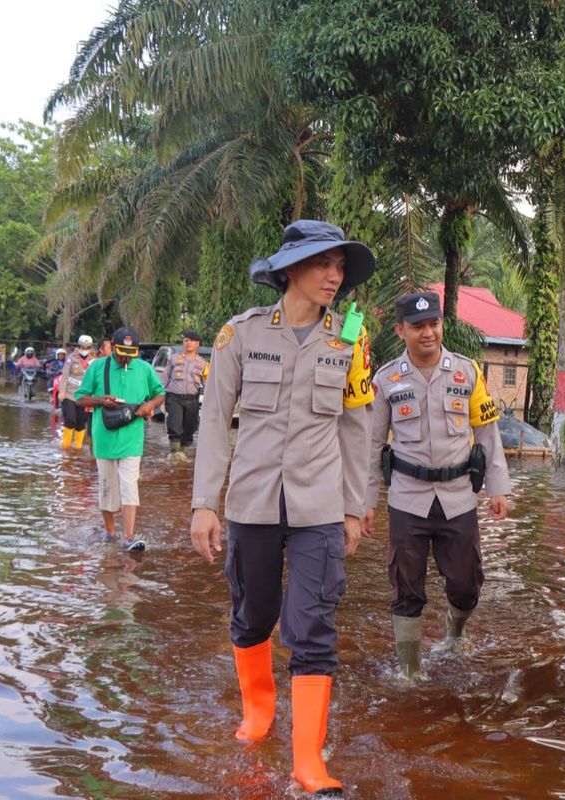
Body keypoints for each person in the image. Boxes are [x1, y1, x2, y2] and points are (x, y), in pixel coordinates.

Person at [189, 220, 375, 797]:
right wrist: (204, 504)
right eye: (324, 264)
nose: (334, 276)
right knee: (253, 614)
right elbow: (214, 422)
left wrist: (355, 507)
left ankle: (308, 763)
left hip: (320, 506)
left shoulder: (349, 341)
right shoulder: (239, 335)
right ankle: (258, 711)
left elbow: (357, 428)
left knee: (313, 625)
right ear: (291, 269)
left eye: (340, 267)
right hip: (252, 502)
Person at [363, 291, 511, 679]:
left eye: (434, 323)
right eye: (418, 326)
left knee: (467, 583)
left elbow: (487, 433)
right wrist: (365, 503)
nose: (428, 332)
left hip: (458, 498)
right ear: (401, 330)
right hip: (407, 499)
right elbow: (371, 445)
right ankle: (409, 669)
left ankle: (455, 631)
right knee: (405, 586)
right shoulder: (386, 380)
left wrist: (497, 487)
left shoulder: (468, 373)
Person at [75, 327, 166, 552]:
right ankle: (110, 532)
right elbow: (79, 398)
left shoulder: (144, 369)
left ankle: (129, 537)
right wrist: (101, 400)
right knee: (107, 488)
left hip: (132, 438)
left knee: (129, 485)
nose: (126, 359)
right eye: (122, 354)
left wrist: (149, 405)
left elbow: (160, 393)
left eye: (130, 354)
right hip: (104, 438)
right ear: (113, 347)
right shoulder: (97, 367)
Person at [159, 330, 209, 457]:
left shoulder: (203, 363)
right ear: (183, 342)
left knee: (189, 429)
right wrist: (158, 397)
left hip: (192, 400)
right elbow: (164, 380)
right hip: (174, 398)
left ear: (197, 344)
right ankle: (175, 455)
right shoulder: (174, 359)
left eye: (192, 341)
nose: (188, 343)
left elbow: (208, 384)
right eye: (186, 340)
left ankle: (184, 457)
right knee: (174, 426)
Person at [58, 335, 96, 450]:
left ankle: (78, 448)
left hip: (84, 397)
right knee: (70, 420)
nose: (85, 350)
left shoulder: (94, 361)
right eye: (82, 347)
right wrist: (62, 391)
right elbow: (65, 376)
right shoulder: (71, 358)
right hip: (69, 394)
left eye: (87, 347)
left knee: (81, 422)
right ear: (78, 347)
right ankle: (66, 447)